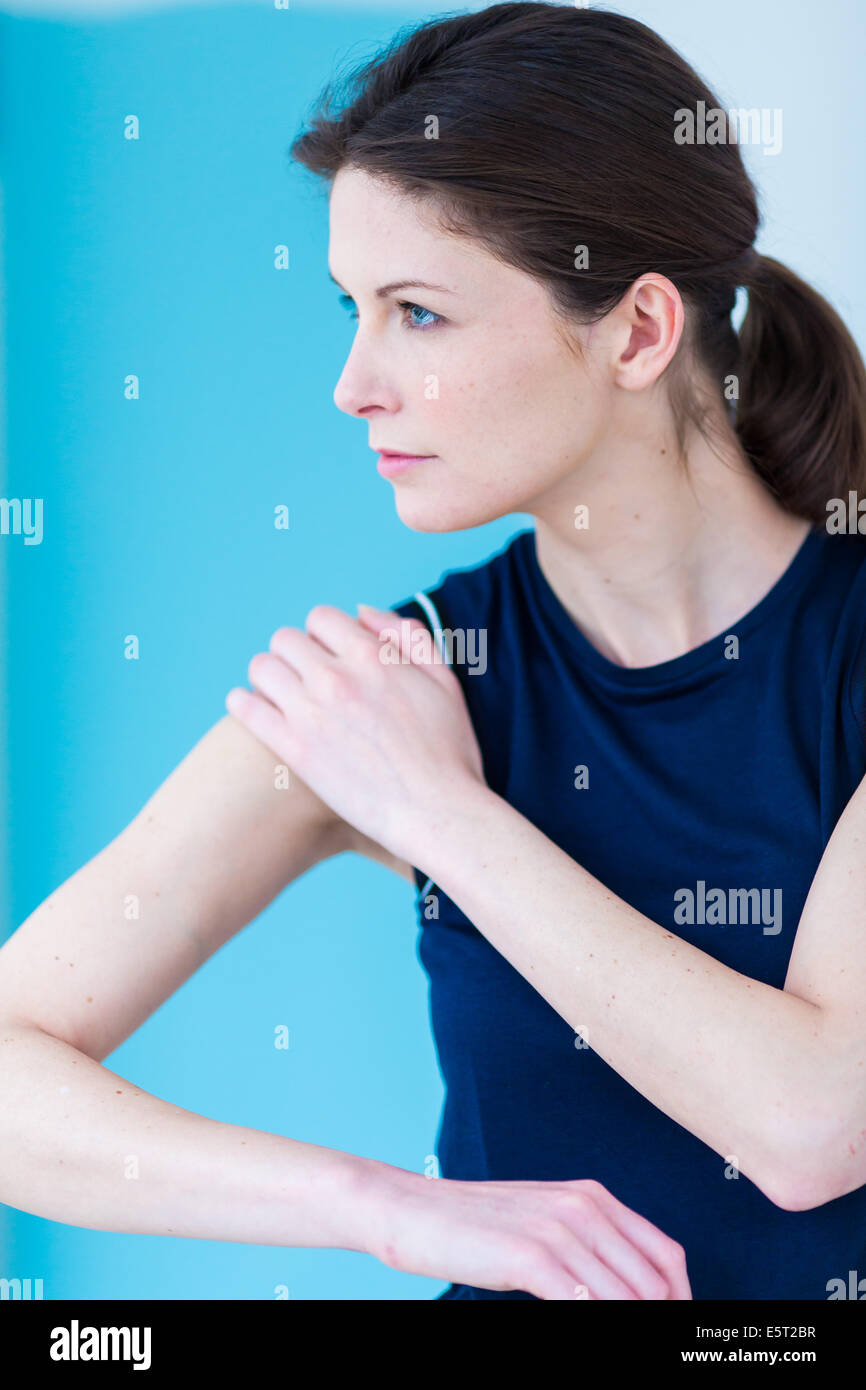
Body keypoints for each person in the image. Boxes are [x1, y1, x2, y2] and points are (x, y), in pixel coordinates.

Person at [2, 3, 864, 1301]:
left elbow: (813, 1124)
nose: (352, 384)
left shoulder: (831, 657)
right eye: (353, 308)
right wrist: (385, 1208)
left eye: (416, 313)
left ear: (635, 332)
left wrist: (435, 812)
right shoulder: (385, 688)